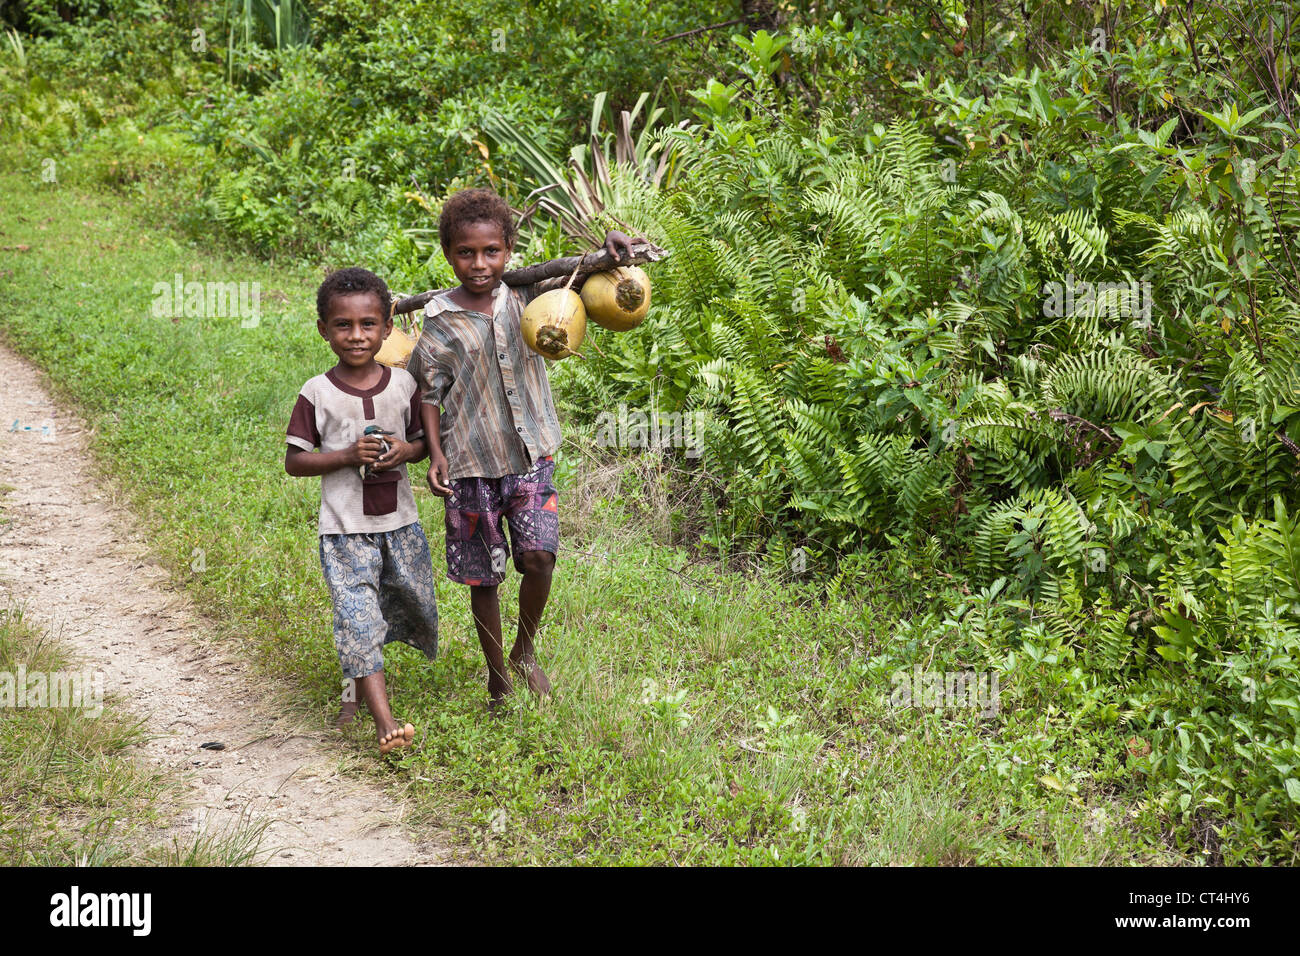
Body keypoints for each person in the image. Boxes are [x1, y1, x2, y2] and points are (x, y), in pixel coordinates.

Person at [407, 188, 632, 708]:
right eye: (466, 253)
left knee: (539, 559)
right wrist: (435, 454)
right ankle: (495, 675)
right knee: (483, 575)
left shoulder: (531, 298)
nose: (479, 264)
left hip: (532, 454)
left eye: (491, 251)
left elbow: (590, 278)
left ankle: (524, 651)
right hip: (469, 464)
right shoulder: (439, 320)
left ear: (509, 248)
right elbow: (429, 394)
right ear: (448, 254)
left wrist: (611, 247)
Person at [284, 267, 439, 753]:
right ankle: (384, 721)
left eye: (368, 324)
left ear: (388, 326)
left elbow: (420, 444)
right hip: (346, 529)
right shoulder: (317, 393)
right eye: (343, 326)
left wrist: (404, 451)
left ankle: (356, 680)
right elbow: (295, 461)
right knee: (358, 617)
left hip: (401, 524)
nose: (356, 336)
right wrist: (348, 456)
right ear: (323, 329)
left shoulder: (403, 386)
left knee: (411, 602)